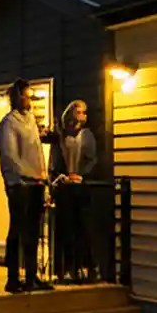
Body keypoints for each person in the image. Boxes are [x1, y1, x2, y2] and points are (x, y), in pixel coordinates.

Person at [0, 78, 55, 293]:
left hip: (37, 183)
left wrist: (43, 176)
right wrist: (31, 174)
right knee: (18, 230)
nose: (29, 99)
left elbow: (37, 150)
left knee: (33, 232)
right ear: (16, 97)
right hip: (19, 185)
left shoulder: (30, 121)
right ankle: (12, 278)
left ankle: (31, 276)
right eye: (26, 95)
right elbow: (11, 158)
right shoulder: (8, 124)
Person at [49, 99, 99, 283]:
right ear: (71, 113)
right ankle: (66, 269)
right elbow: (55, 161)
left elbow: (92, 160)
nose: (83, 116)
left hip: (80, 187)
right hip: (65, 188)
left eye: (85, 112)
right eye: (80, 112)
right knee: (66, 229)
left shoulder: (87, 136)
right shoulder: (62, 137)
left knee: (83, 229)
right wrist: (58, 177)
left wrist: (83, 175)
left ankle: (87, 267)